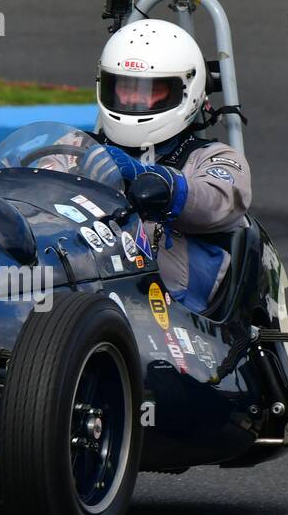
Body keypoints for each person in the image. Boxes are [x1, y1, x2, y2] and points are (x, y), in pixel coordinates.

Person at [94, 19, 251, 314]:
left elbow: (217, 202)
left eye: (148, 92)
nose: (133, 100)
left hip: (172, 304)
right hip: (88, 287)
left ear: (185, 91)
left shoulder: (214, 157)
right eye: (124, 89)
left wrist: (155, 181)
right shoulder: (80, 149)